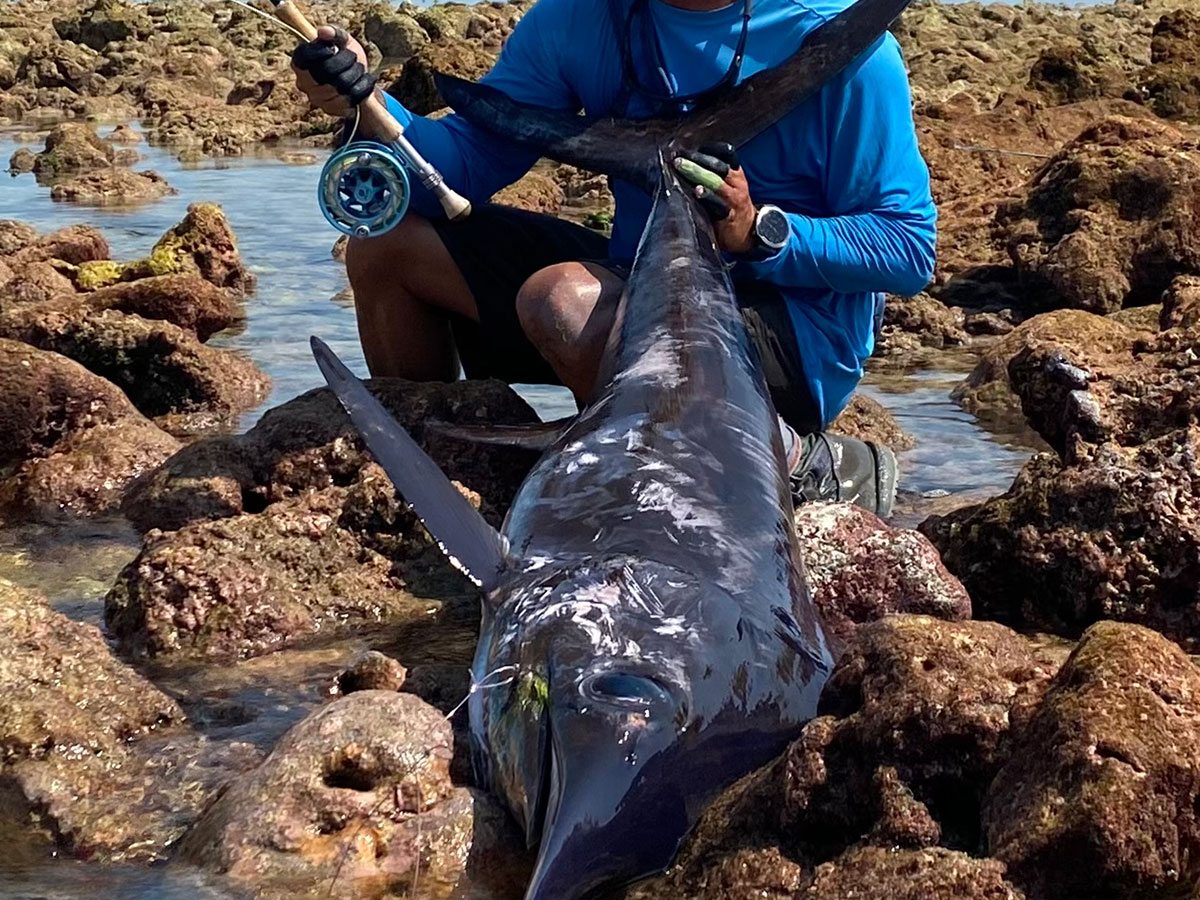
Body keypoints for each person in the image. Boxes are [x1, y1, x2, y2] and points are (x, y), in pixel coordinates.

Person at [290, 0, 937, 516]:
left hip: (788, 329)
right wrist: (361, 103)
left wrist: (756, 229)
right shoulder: (580, 20)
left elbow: (908, 250)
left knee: (566, 305)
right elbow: (459, 165)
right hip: (640, 278)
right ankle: (431, 476)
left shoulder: (846, 46)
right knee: (389, 243)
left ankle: (797, 465)